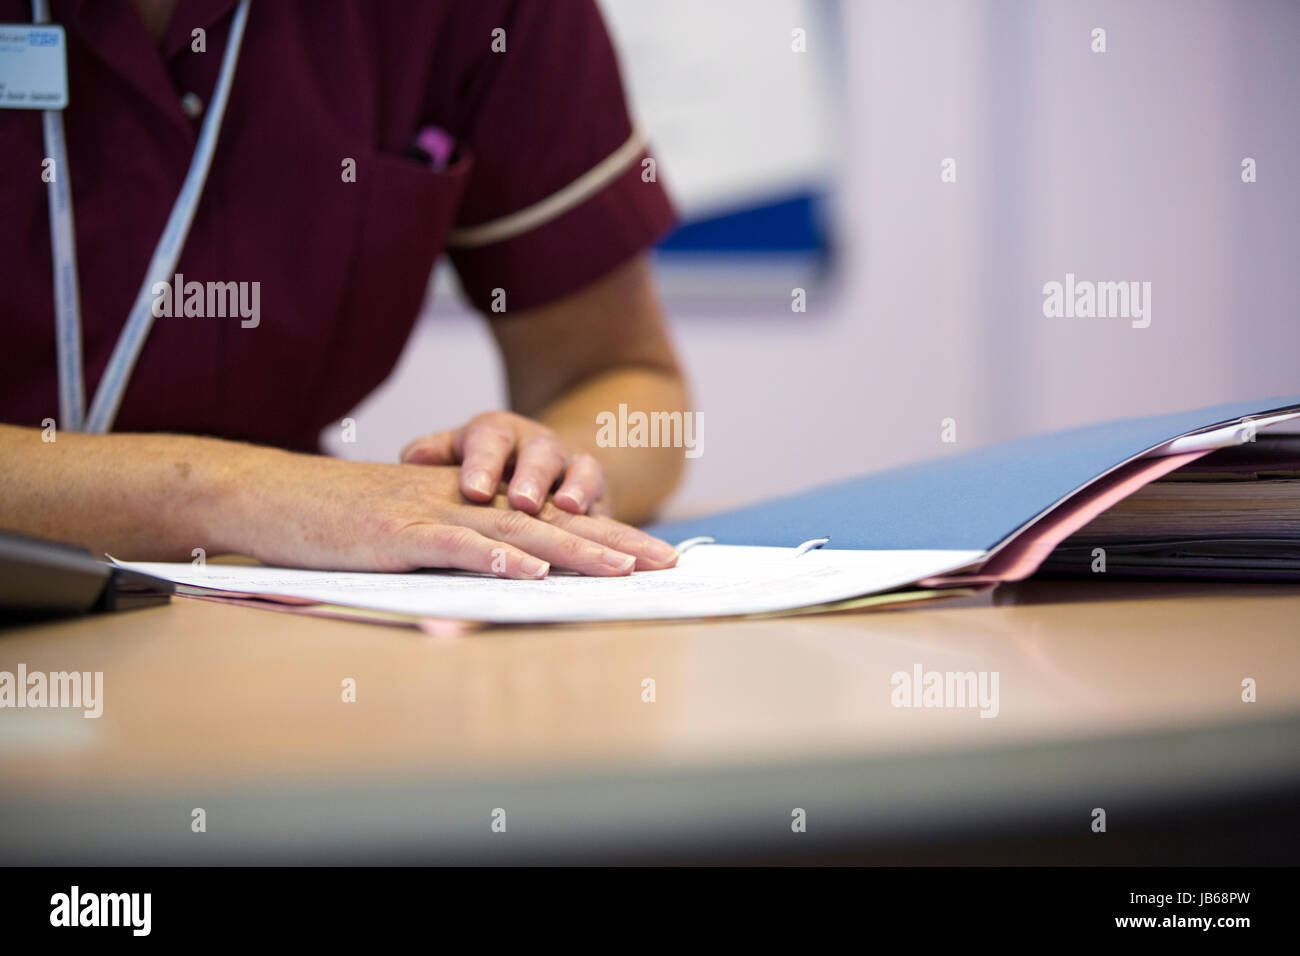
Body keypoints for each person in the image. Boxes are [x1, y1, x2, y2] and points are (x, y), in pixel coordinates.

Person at [0, 0, 689, 579]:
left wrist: (547, 480)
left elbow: (620, 375)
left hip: (271, 626)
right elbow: (282, 503)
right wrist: (241, 496)